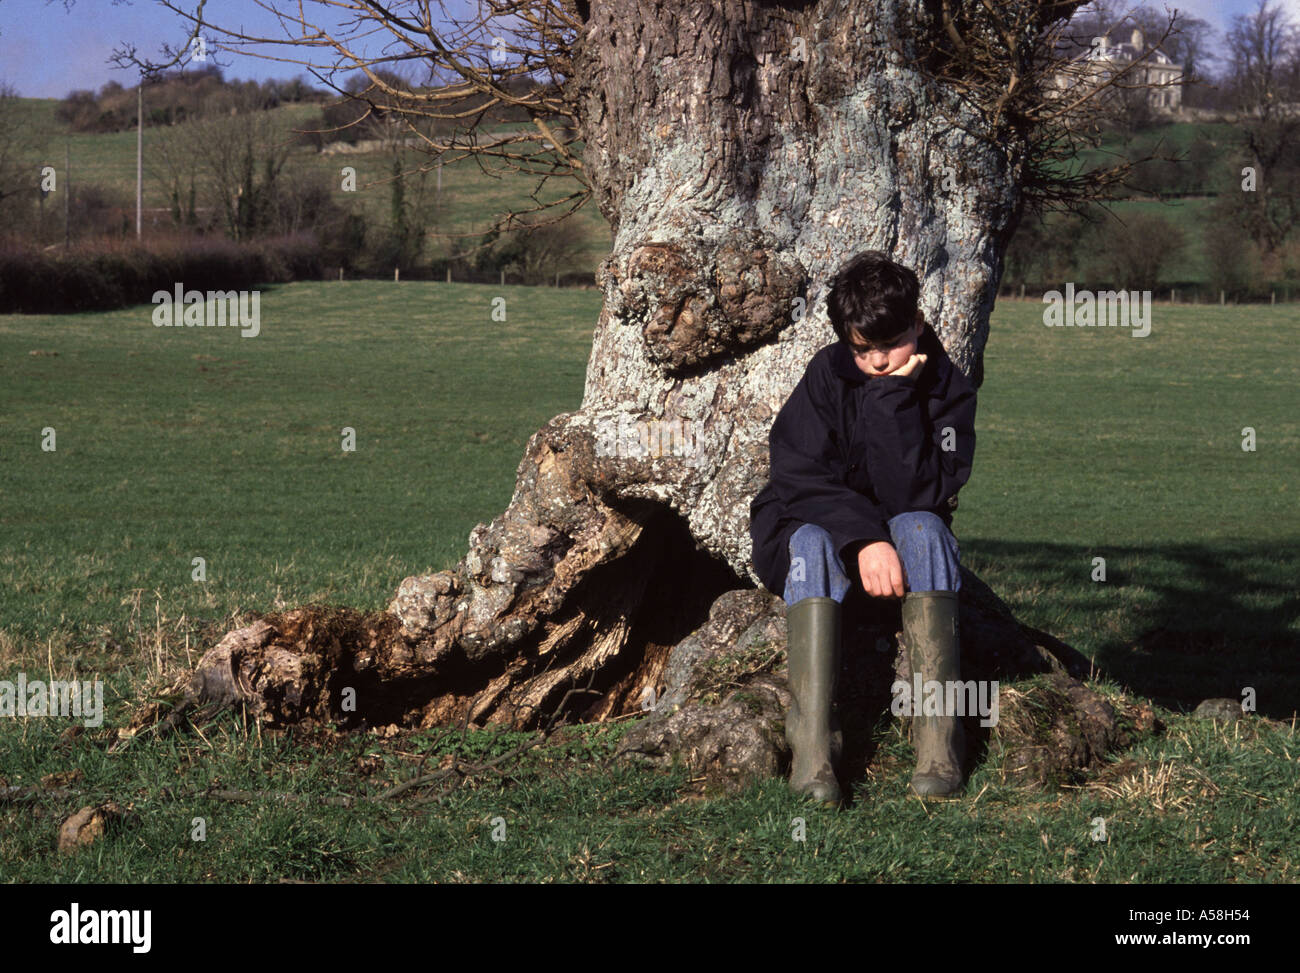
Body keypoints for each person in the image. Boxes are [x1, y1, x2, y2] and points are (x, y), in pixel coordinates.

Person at [749, 250, 977, 805]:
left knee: (924, 529)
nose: (877, 360)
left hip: (904, 541)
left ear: (917, 324)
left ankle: (939, 750)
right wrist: (867, 538)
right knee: (808, 543)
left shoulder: (946, 386)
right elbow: (797, 477)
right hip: (811, 527)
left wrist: (891, 400)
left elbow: (919, 493)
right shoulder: (826, 374)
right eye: (863, 348)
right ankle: (813, 755)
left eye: (890, 344)